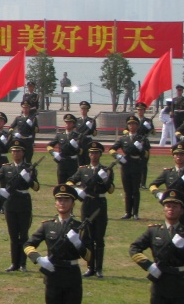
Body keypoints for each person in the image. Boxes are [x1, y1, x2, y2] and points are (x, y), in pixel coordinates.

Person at [24, 184, 91, 304]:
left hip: (71, 274)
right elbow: (29, 244)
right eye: (59, 200)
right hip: (52, 274)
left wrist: (79, 244)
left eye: (66, 200)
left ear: (72, 203)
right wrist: (39, 260)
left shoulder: (80, 227)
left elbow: (90, 256)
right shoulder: (48, 226)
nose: (62, 203)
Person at [66, 141, 114, 278]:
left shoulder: (106, 170)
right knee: (87, 237)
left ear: (100, 154)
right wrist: (77, 190)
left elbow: (111, 190)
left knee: (99, 239)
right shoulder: (83, 170)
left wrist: (106, 180)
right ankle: (89, 267)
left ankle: (99, 268)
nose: (93, 155)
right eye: (91, 153)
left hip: (100, 203)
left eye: (96, 153)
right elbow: (70, 181)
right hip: (87, 204)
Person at [0, 143, 41, 272]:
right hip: (10, 203)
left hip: (24, 203)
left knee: (23, 235)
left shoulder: (29, 168)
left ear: (23, 153)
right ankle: (14, 263)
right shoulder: (6, 167)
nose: (15, 154)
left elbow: (36, 187)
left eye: (18, 151)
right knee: (13, 235)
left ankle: (23, 264)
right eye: (13, 151)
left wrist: (28, 179)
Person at [109, 115, 149, 220]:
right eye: (130, 124)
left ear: (137, 125)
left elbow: (146, 154)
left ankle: (135, 213)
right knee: (127, 191)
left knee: (135, 190)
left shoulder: (142, 138)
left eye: (134, 124)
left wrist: (141, 149)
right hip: (125, 165)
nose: (132, 126)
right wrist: (118, 156)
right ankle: (127, 212)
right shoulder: (123, 139)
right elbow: (112, 149)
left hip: (136, 164)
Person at [148, 145, 184, 226]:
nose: (179, 157)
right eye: (176, 155)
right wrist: (158, 194)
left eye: (182, 155)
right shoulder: (167, 172)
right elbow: (152, 185)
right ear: (173, 157)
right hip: (172, 206)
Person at [47, 114, 89, 185]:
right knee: (61, 183)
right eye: (66, 122)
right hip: (62, 162)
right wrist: (54, 153)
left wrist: (76, 147)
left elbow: (81, 152)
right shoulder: (60, 135)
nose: (67, 124)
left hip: (72, 163)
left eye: (70, 123)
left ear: (73, 124)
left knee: (71, 183)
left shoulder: (77, 136)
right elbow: (49, 146)